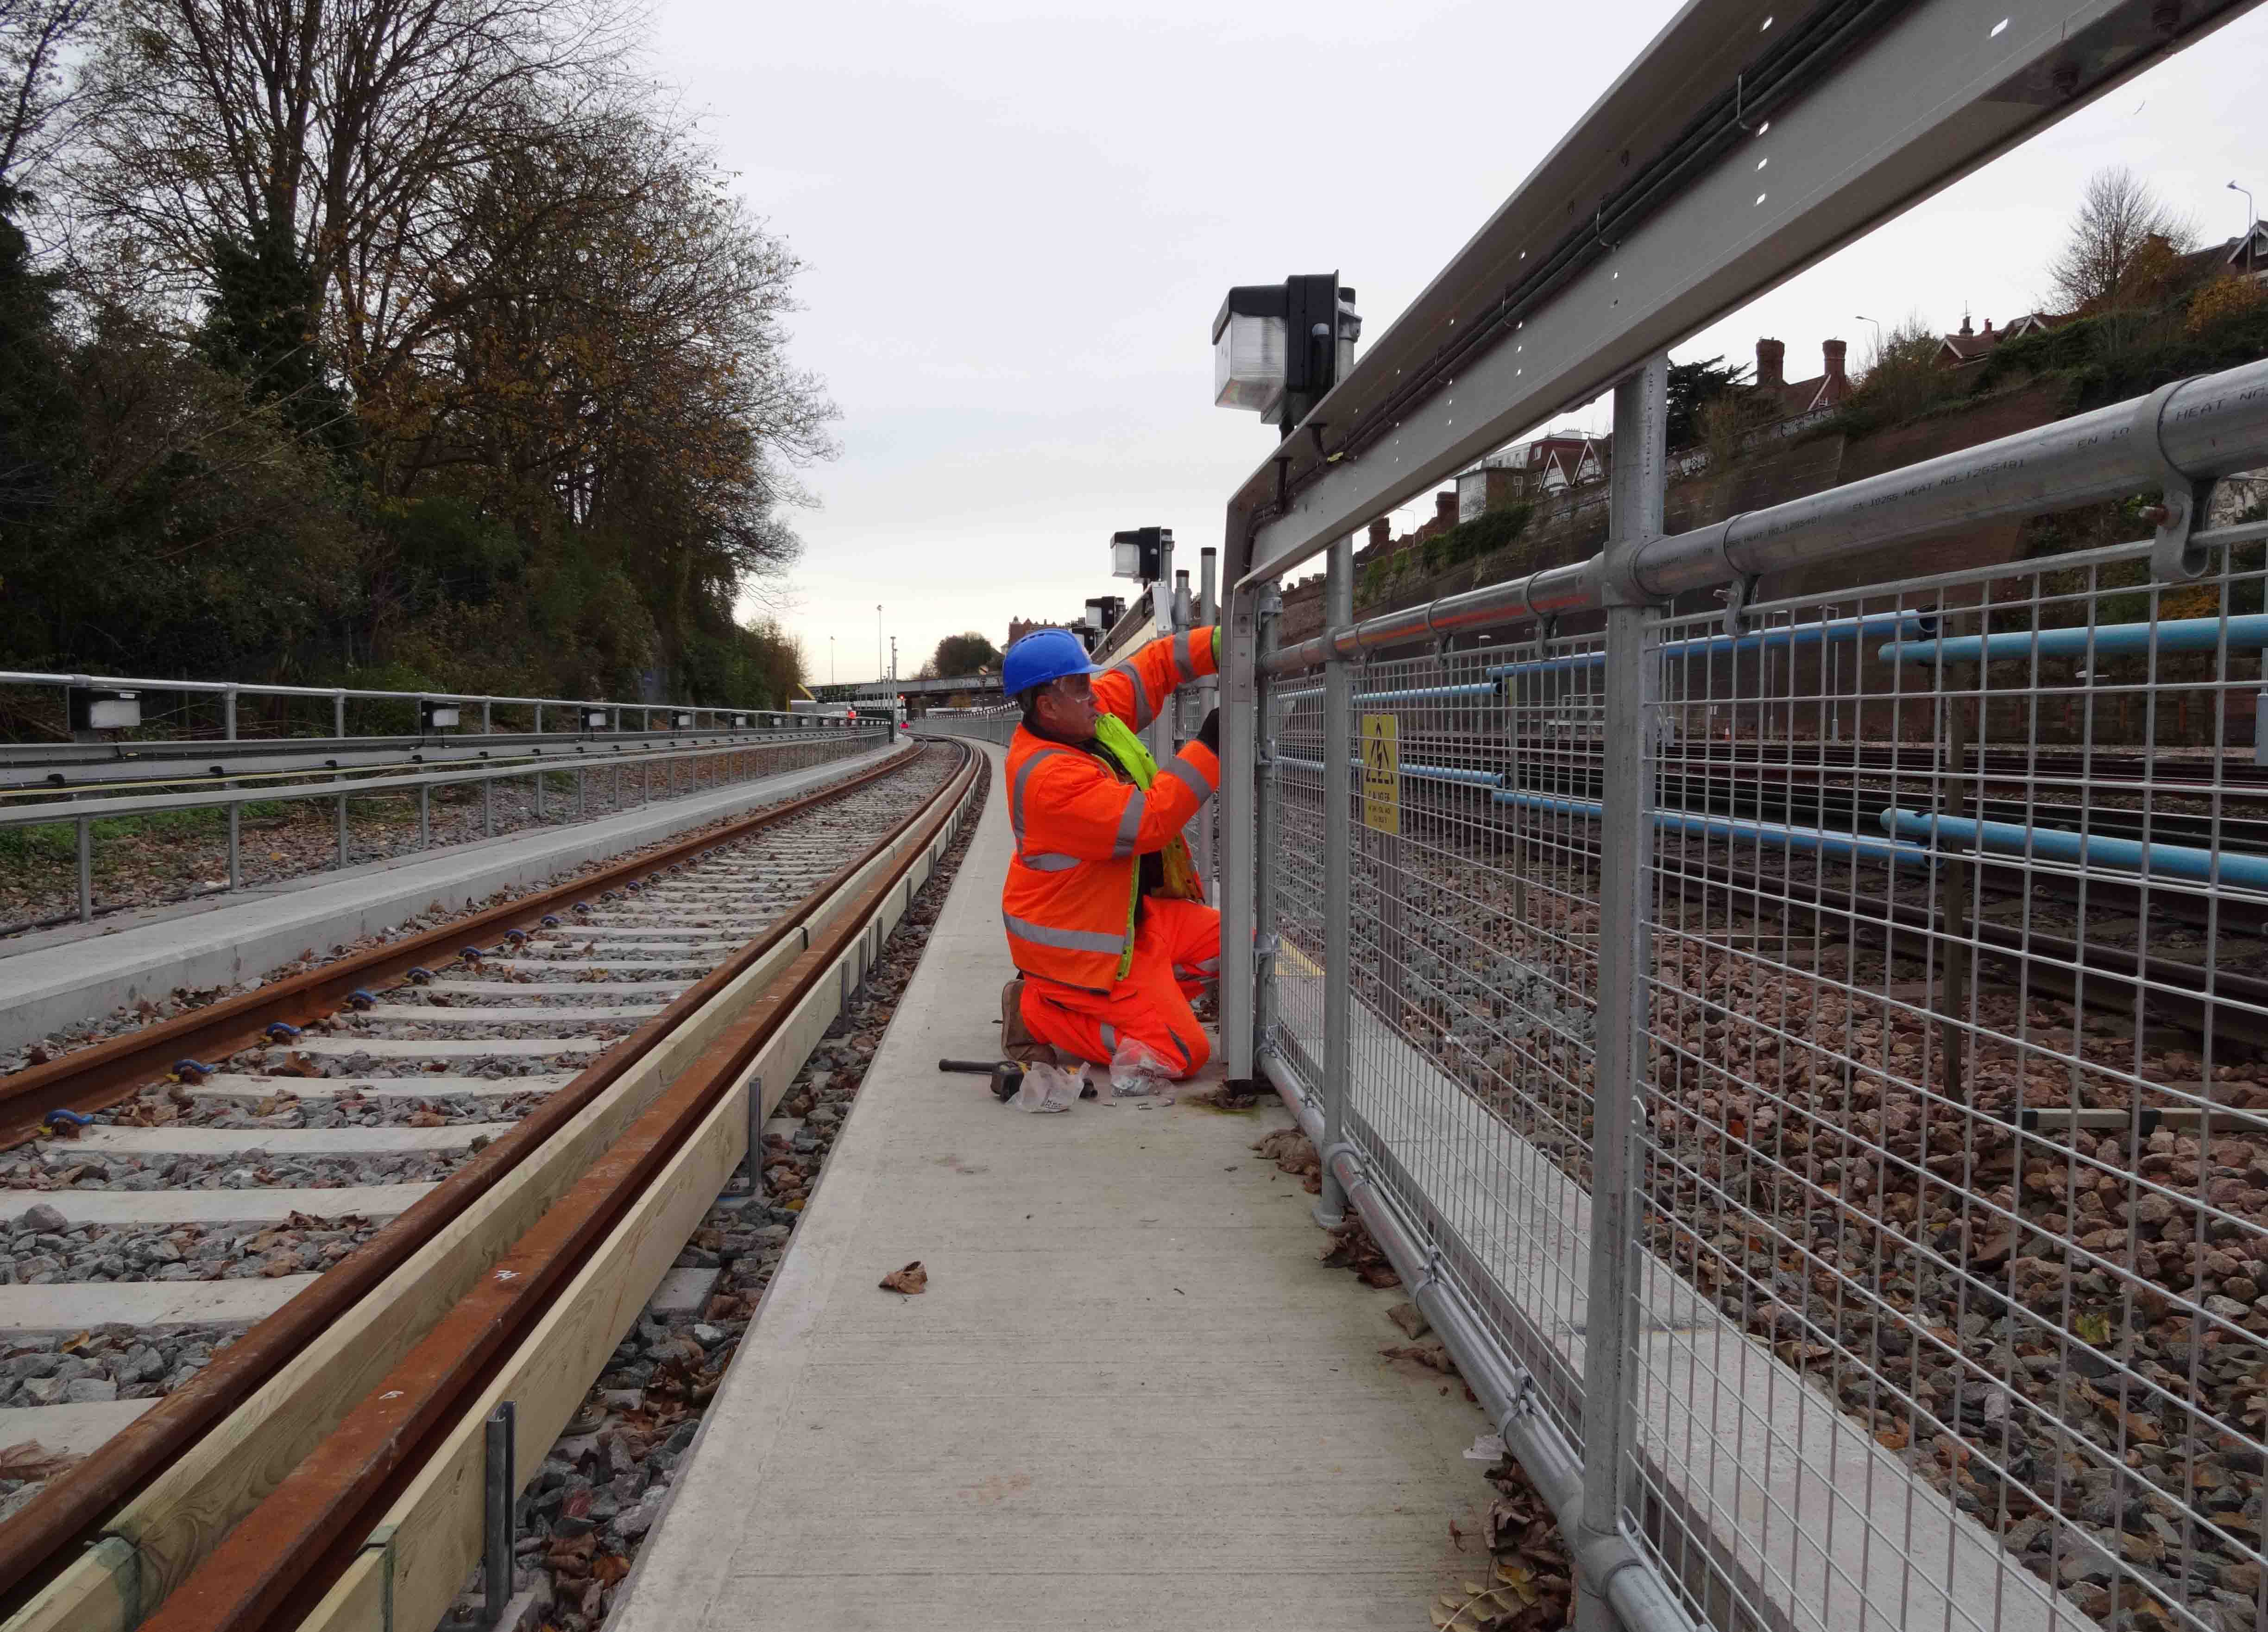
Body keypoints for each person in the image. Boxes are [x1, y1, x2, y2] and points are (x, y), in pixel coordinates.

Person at [996, 623, 1223, 1079]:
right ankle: (1038, 1011)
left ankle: (1139, 1004)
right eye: (1081, 687)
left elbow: (1154, 667)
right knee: (1182, 1054)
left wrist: (1225, 641)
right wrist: (1212, 746)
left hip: (1127, 924)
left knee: (1241, 943)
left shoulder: (1083, 716)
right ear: (1048, 706)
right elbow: (1151, 821)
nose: (1095, 696)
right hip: (1085, 955)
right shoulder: (1048, 779)